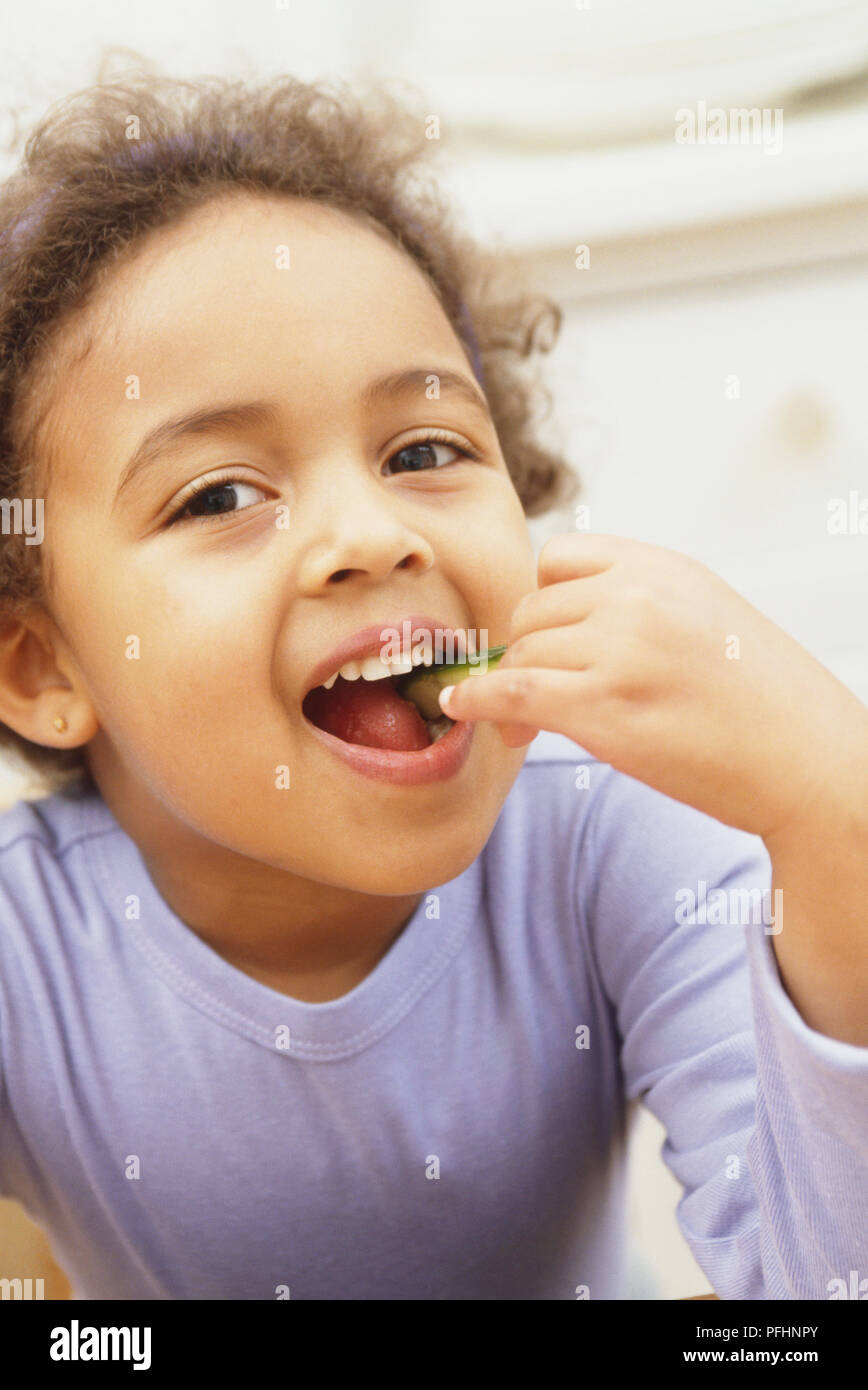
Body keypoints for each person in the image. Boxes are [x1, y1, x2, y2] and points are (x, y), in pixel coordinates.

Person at [0, 70, 865, 1300]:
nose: (372, 532)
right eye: (221, 495)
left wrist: (836, 811)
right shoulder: (28, 955)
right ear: (41, 668)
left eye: (422, 451)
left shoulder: (604, 829)